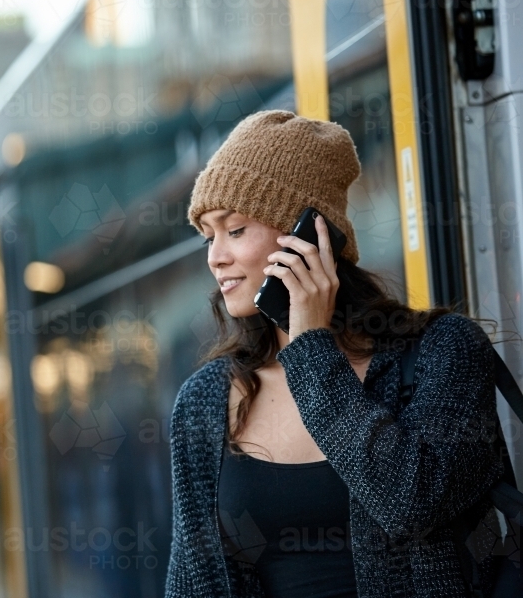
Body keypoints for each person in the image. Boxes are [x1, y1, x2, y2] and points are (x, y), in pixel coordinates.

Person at [165, 109, 510, 596]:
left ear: (308, 236)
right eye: (208, 236)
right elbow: (192, 582)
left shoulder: (444, 350)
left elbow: (411, 503)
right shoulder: (205, 400)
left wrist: (310, 348)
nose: (215, 257)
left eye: (235, 229)